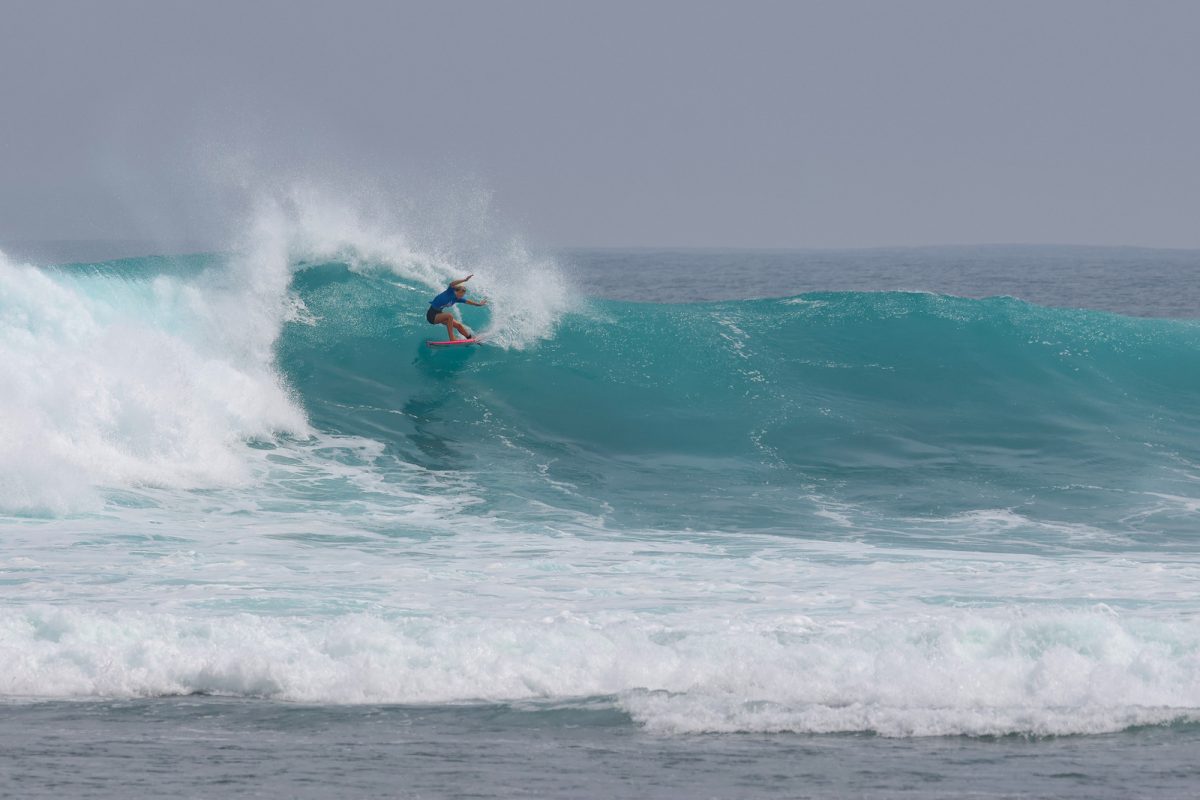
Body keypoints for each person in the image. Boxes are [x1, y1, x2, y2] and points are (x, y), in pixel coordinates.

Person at [426, 274, 487, 340]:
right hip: (431, 315)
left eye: (462, 295)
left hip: (439, 314)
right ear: (456, 291)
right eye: (461, 294)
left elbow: (469, 302)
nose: (461, 296)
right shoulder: (450, 292)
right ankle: (452, 339)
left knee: (459, 325)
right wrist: (465, 280)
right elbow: (452, 284)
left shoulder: (457, 299)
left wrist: (479, 304)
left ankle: (469, 338)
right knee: (450, 316)